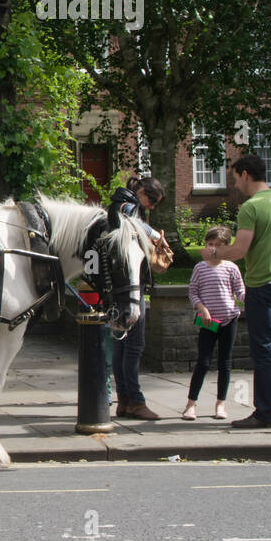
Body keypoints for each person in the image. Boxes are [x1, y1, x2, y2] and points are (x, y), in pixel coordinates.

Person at [205, 155, 271, 428]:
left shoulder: (251, 207)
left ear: (245, 174)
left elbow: (240, 250)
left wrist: (214, 252)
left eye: (234, 177)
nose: (234, 183)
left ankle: (265, 412)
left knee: (264, 347)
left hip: (262, 284)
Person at [108, 176, 167, 420]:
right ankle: (135, 401)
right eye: (151, 200)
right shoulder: (128, 205)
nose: (151, 206)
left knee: (122, 346)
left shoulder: (121, 203)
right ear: (140, 190)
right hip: (131, 289)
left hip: (122, 288)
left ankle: (124, 400)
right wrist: (155, 235)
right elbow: (135, 225)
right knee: (134, 346)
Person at [183, 226, 245, 420]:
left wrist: (252, 297)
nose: (213, 248)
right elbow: (193, 292)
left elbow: (240, 292)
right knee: (203, 362)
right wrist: (202, 309)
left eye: (218, 245)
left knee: (225, 363)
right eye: (210, 244)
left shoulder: (231, 267)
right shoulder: (200, 268)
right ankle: (191, 404)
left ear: (226, 247)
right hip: (209, 322)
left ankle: (221, 403)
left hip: (229, 319)